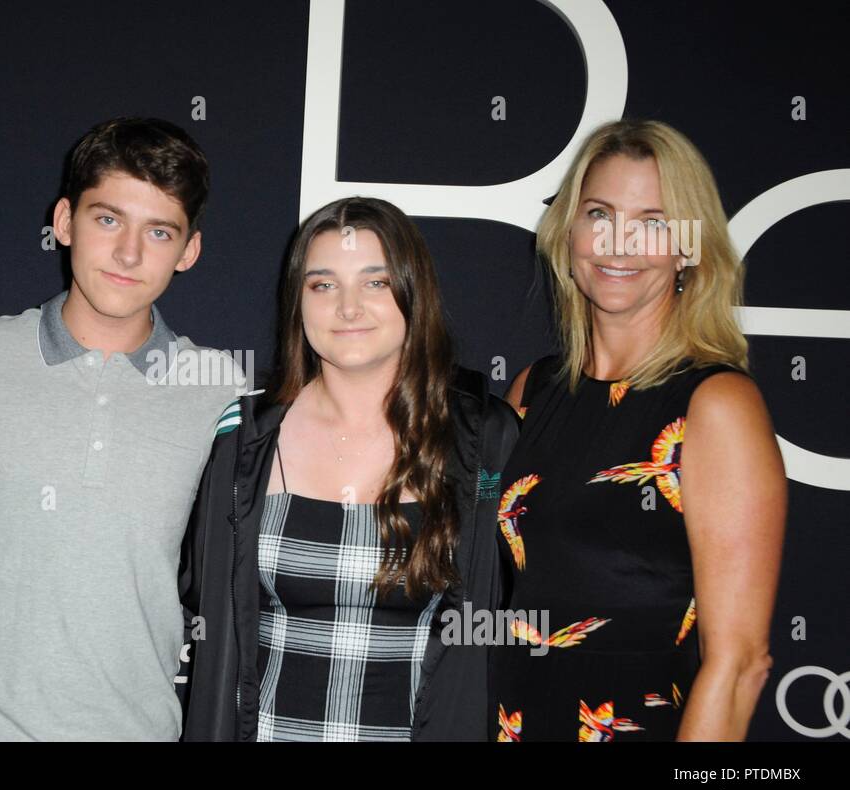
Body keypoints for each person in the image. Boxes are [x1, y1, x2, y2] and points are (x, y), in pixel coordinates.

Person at [0, 118, 243, 741]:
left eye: (160, 231)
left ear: (189, 250)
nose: (128, 253)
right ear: (64, 221)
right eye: (108, 219)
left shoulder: (219, 388)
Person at [180, 196, 519, 741]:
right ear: (298, 302)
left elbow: (512, 622)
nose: (348, 308)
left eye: (376, 282)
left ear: (414, 292)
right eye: (323, 285)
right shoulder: (246, 439)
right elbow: (210, 619)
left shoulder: (485, 440)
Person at [490, 119, 785, 742]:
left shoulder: (716, 406)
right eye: (599, 213)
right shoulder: (532, 391)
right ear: (568, 234)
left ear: (687, 248)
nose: (618, 242)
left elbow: (739, 664)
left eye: (653, 221)